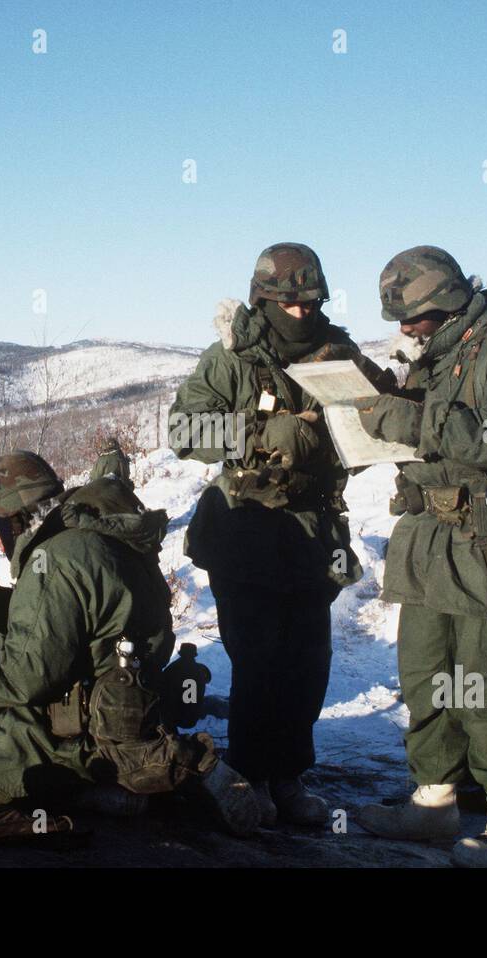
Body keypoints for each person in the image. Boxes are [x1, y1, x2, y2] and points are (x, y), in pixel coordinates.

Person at [0, 450, 260, 837]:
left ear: (13, 514)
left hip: (78, 738)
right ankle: (101, 792)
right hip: (129, 713)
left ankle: (95, 790)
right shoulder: (98, 536)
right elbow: (84, 624)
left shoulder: (54, 559)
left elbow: (20, 681)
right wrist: (9, 608)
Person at [352, 246, 487, 867]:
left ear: (446, 303)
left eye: (413, 316)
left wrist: (417, 423)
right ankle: (434, 801)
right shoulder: (436, 356)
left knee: (486, 683)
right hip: (429, 544)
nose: (405, 329)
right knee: (425, 678)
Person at [168, 243, 389, 826]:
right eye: (287, 302)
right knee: (259, 663)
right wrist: (262, 431)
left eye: (310, 301)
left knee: (308, 662)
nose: (300, 312)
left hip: (314, 533)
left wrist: (366, 435)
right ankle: (253, 777)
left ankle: (289, 776)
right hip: (247, 530)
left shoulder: (337, 353)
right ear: (263, 298)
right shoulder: (233, 357)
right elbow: (183, 429)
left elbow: (376, 415)